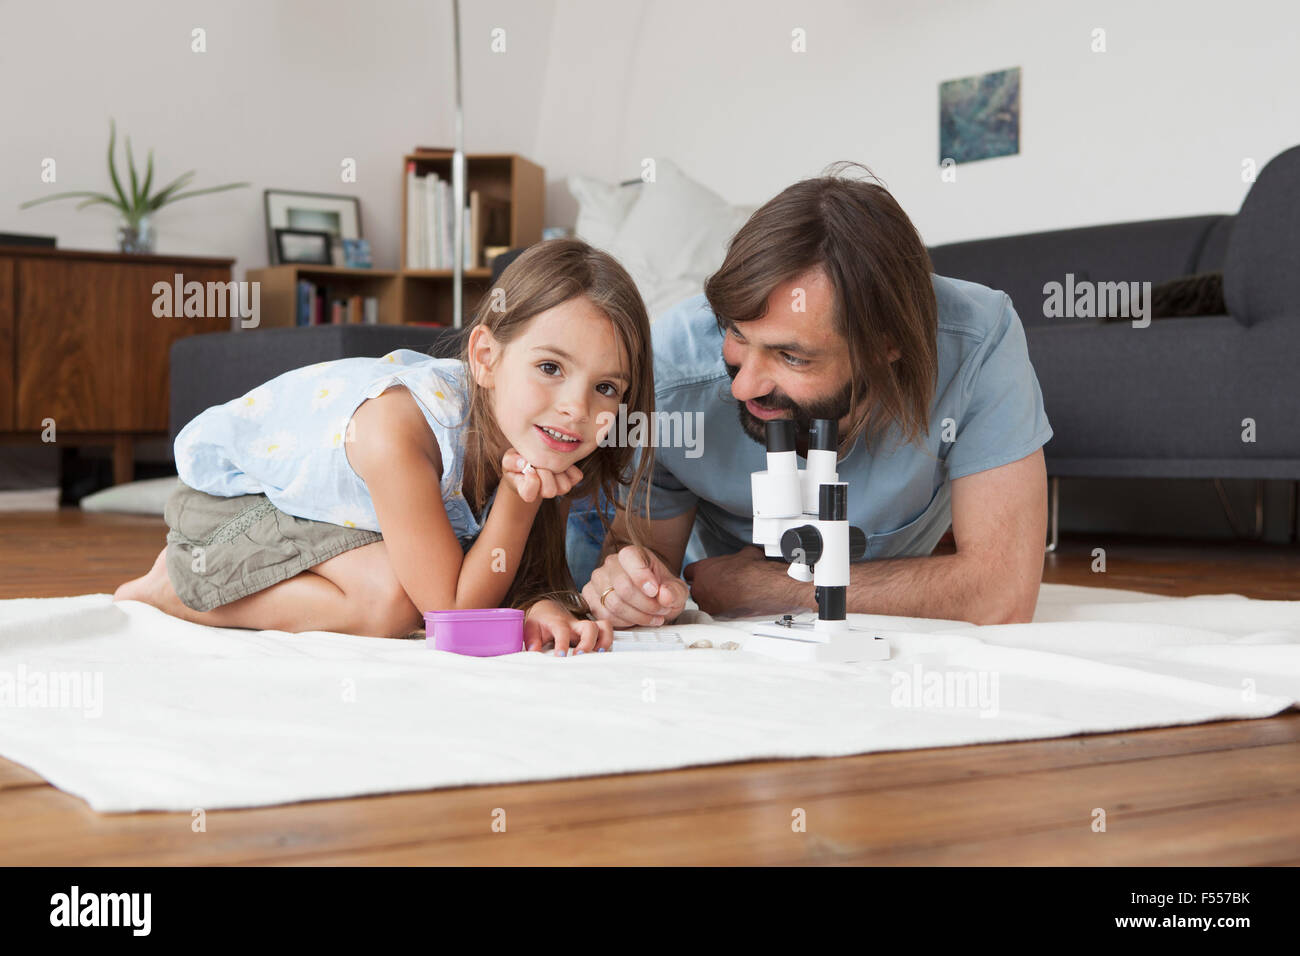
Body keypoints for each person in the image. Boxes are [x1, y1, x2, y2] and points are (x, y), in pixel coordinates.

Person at [115, 239, 659, 654]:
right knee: (392, 602)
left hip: (334, 525)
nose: (577, 407)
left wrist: (541, 606)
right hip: (233, 509)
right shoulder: (398, 427)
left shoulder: (540, 436)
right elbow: (451, 615)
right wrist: (519, 502)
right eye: (549, 367)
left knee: (404, 587)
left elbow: (507, 570)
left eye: (605, 387)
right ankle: (171, 588)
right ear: (486, 358)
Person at [576, 162, 1053, 628]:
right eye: (738, 334)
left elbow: (1002, 592)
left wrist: (771, 588)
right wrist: (631, 583)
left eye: (792, 357)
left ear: (887, 346)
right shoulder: (672, 374)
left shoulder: (978, 345)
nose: (744, 386)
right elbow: (644, 556)